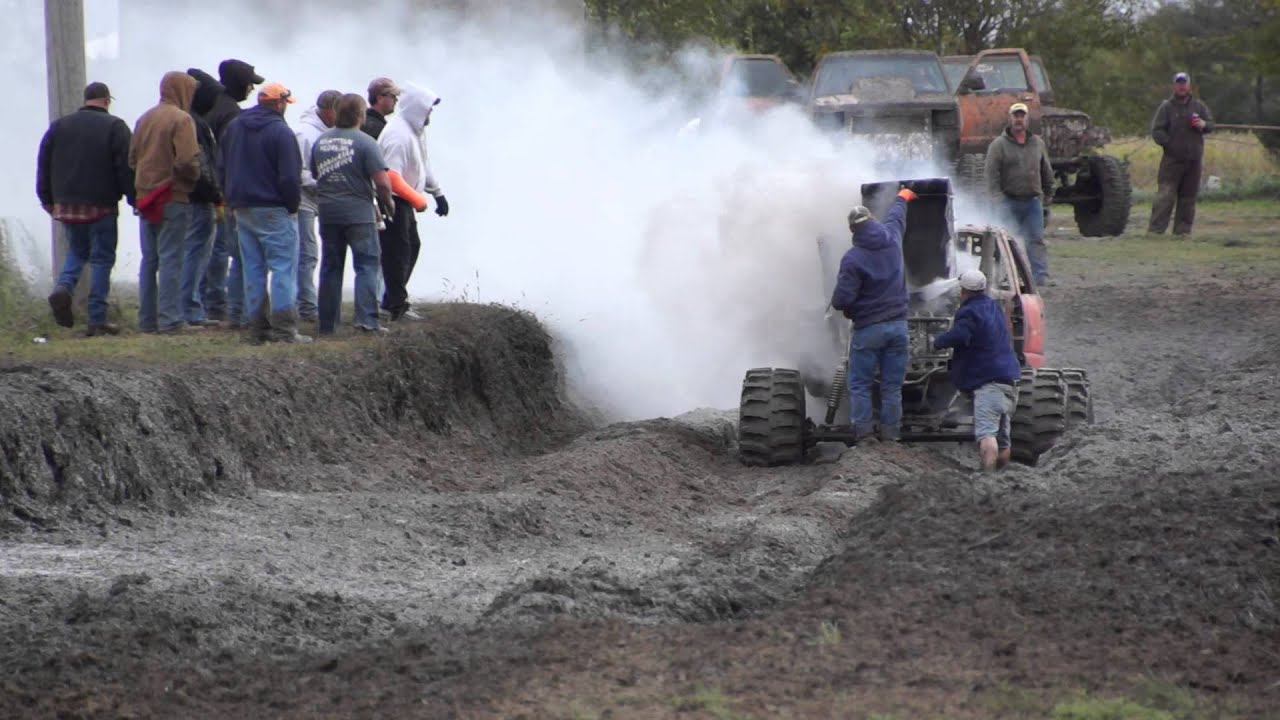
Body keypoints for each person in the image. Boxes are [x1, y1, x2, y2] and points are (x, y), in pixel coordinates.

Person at [36, 81, 135, 336]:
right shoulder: (115, 126)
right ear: (106, 100)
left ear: (85, 99)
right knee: (102, 258)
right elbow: (125, 168)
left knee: (77, 252)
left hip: (66, 203)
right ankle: (97, 319)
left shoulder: (59, 126)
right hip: (101, 204)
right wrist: (134, 198)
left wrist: (47, 198)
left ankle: (63, 288)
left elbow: (43, 163)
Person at [220, 81, 308, 344]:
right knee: (282, 267)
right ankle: (285, 330)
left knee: (253, 268)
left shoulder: (234, 127)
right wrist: (292, 207)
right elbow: (290, 177)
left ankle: (257, 329)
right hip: (274, 209)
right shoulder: (281, 132)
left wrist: (231, 201)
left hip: (242, 209)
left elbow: (221, 167)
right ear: (279, 103)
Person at [830, 187, 916, 442]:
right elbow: (897, 216)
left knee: (860, 385)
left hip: (868, 330)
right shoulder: (891, 237)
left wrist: (847, 308)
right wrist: (903, 197)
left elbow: (840, 300)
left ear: (851, 230)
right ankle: (891, 437)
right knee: (892, 387)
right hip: (898, 328)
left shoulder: (853, 259)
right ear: (872, 220)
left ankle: (865, 436)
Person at [311, 94, 395, 336]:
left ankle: (327, 325)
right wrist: (387, 204)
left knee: (330, 266)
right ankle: (367, 321)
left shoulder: (321, 141)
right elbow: (382, 182)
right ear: (361, 115)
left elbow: (316, 175)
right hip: (358, 212)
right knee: (367, 265)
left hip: (328, 212)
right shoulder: (366, 143)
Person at [129, 70, 202, 334]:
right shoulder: (182, 119)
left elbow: (132, 158)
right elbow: (186, 160)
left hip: (145, 197)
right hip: (172, 196)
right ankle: (170, 319)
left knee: (149, 259)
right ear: (182, 91)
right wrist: (191, 179)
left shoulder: (144, 118)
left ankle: (147, 320)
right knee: (172, 258)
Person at [932, 269, 1024, 472]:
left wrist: (937, 342)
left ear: (963, 291)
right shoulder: (993, 307)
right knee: (1002, 440)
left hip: (989, 383)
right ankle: (1001, 478)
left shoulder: (968, 311)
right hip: (1009, 380)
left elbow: (961, 335)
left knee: (986, 435)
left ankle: (987, 480)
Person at [377, 83, 450, 321]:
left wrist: (437, 192)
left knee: (411, 247)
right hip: (393, 201)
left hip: (405, 200)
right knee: (397, 252)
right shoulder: (398, 135)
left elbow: (423, 164)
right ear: (418, 109)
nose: (430, 114)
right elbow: (391, 177)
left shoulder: (415, 131)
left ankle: (393, 299)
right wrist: (418, 199)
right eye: (428, 109)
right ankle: (395, 305)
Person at [201, 58, 264, 327]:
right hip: (221, 190)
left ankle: (207, 301)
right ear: (240, 83)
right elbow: (230, 154)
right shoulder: (231, 113)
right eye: (249, 83)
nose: (251, 88)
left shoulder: (210, 106)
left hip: (207, 186)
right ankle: (217, 304)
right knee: (223, 249)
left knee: (208, 248)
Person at [984, 102, 1055, 286]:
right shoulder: (998, 145)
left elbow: (1045, 169)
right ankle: (1008, 278)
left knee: (1036, 240)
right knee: (1007, 243)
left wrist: (1049, 192)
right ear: (1010, 118)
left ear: (1027, 119)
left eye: (1021, 115)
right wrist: (997, 200)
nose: (1018, 119)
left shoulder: (1037, 143)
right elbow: (991, 175)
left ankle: (1040, 277)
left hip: (1032, 201)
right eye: (1015, 115)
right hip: (1008, 201)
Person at [181, 68, 226, 327]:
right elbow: (199, 163)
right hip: (198, 198)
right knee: (195, 254)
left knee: (188, 253)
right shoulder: (193, 122)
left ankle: (186, 306)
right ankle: (190, 308)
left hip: (188, 197)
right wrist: (215, 193)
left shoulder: (193, 119)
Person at [294, 89, 342, 323]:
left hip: (322, 199)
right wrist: (326, 182)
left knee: (317, 252)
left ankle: (308, 301)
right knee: (307, 253)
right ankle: (306, 305)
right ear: (328, 111)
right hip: (304, 200)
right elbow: (300, 172)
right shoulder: (305, 134)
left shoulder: (330, 132)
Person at [1149, 71, 1214, 236]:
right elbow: (1157, 131)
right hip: (1172, 161)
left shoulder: (1199, 106)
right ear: (1174, 86)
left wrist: (1203, 124)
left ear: (1189, 86)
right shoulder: (1166, 107)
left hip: (1193, 161)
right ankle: (1156, 231)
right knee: (1165, 196)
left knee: (1188, 198)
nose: (1181, 86)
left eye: (1184, 83)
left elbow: (1211, 125)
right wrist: (1170, 144)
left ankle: (1182, 232)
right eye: (1179, 83)